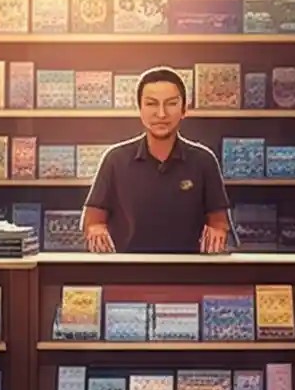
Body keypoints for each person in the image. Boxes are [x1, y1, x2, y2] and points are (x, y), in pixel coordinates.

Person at [83, 67, 231, 254]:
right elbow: (93, 219)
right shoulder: (115, 159)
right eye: (152, 104)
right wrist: (95, 228)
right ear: (140, 109)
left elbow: (220, 221)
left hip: (189, 268)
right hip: (127, 268)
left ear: (184, 109)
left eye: (171, 104)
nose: (161, 114)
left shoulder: (204, 161)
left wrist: (218, 231)